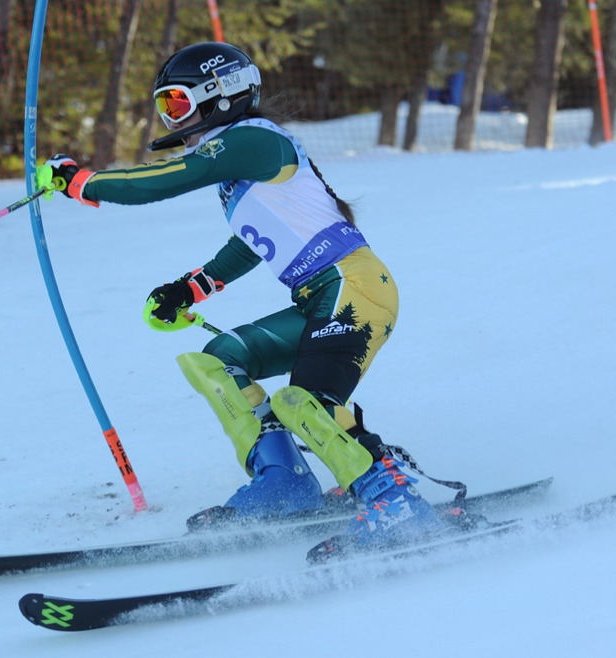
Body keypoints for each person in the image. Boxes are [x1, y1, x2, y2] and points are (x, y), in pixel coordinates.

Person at [36, 42, 444, 552]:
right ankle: (284, 483)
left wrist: (82, 183)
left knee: (305, 401)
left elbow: (167, 180)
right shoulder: (238, 166)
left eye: (179, 104)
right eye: (164, 107)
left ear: (220, 95)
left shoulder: (251, 139)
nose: (169, 117)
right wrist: (191, 288)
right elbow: (252, 242)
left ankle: (394, 500)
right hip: (319, 296)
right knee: (221, 359)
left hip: (353, 285)